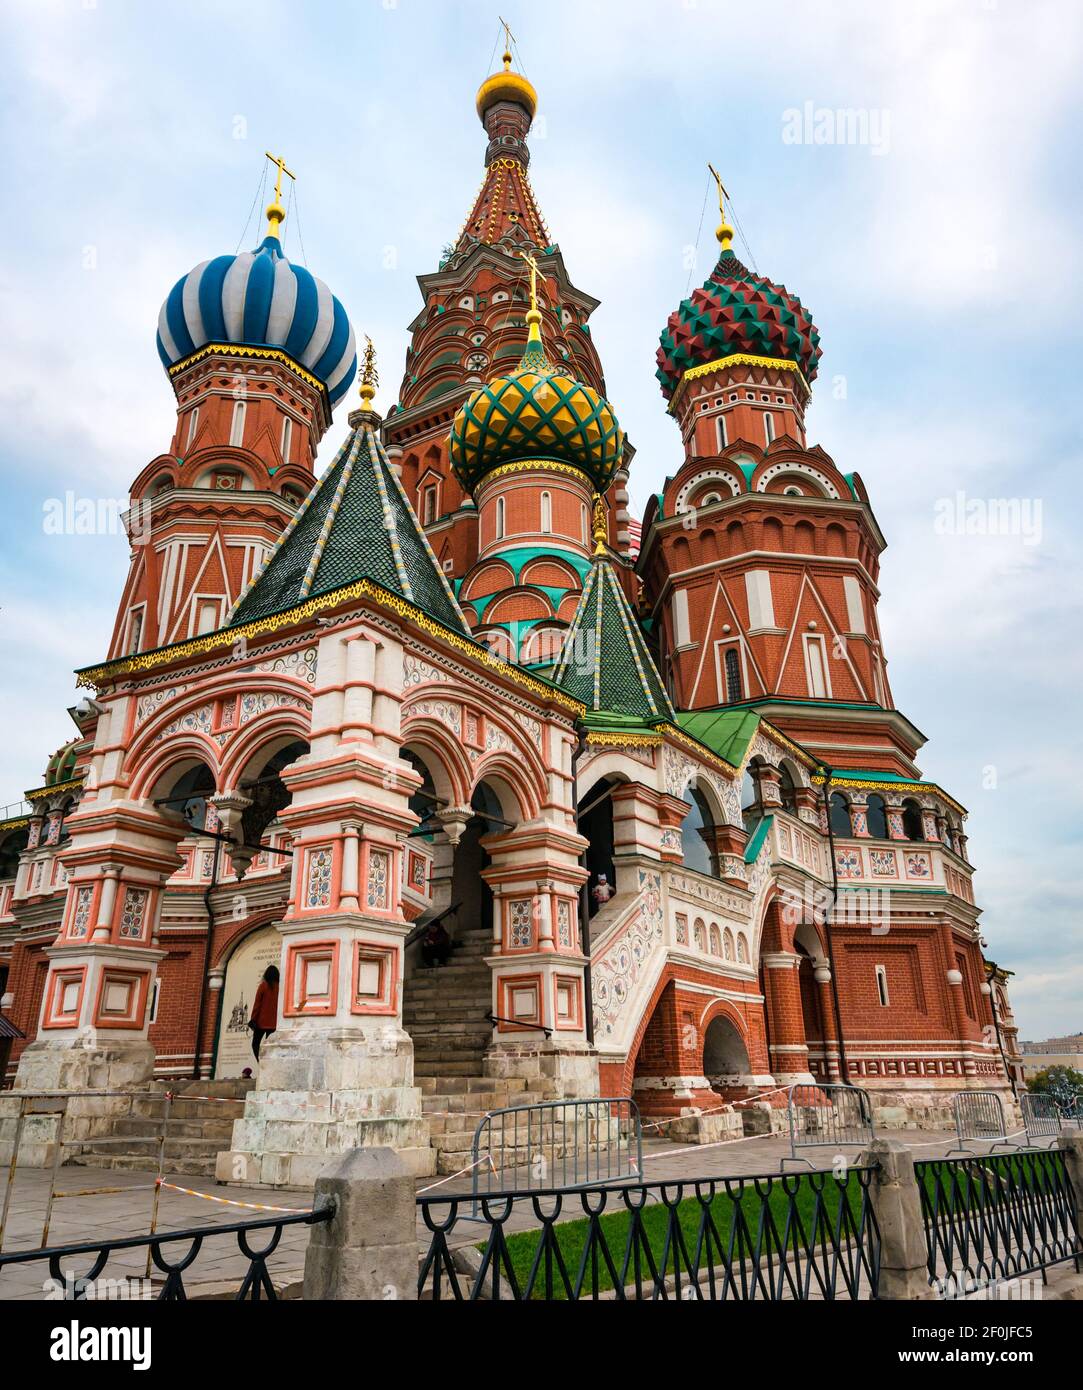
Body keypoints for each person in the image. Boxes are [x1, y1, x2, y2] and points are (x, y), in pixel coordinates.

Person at [248, 964, 279, 1061]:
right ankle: (269, 1063)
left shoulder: (263, 986)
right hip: (274, 1023)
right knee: (271, 1046)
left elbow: (257, 1004)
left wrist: (253, 1018)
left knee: (255, 1044)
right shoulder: (280, 987)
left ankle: (261, 1063)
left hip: (261, 1022)